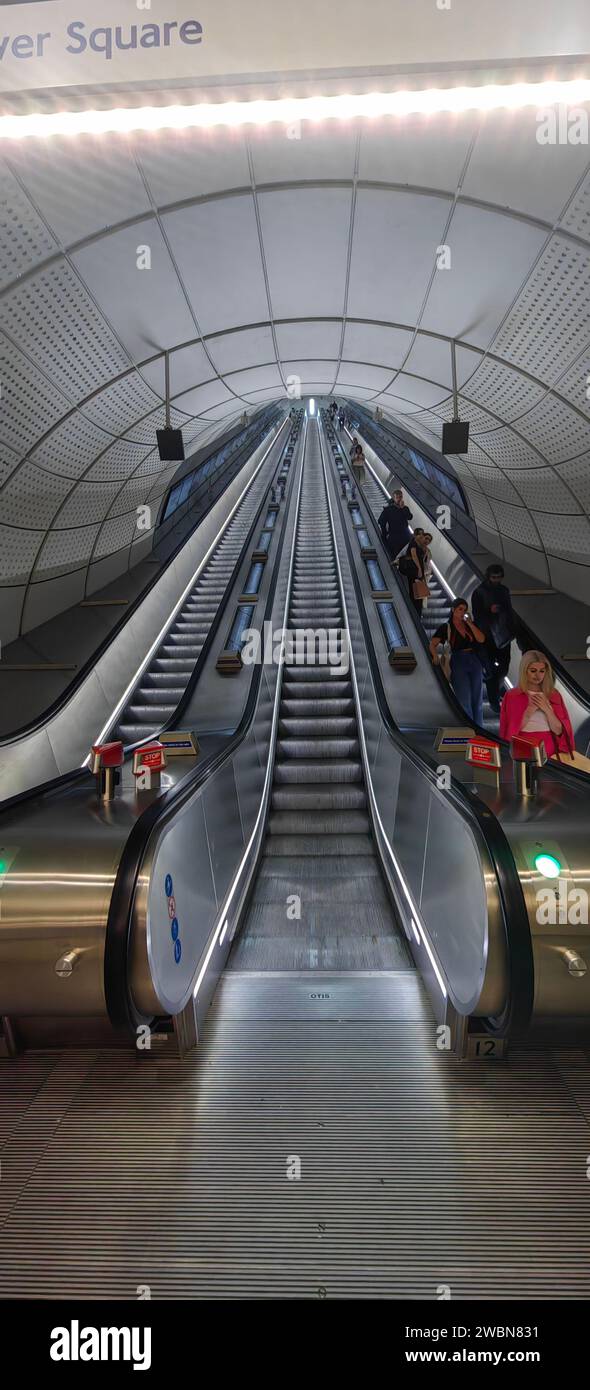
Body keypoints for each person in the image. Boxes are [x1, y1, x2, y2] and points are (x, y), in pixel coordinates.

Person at [498, 650, 590, 771]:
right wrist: (529, 711)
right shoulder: (512, 696)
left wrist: (547, 710)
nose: (538, 675)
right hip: (524, 746)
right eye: (533, 671)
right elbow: (509, 732)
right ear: (524, 670)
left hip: (550, 747)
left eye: (542, 671)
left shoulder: (554, 695)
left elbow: (560, 731)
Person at [429, 597, 487, 726]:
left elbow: (481, 639)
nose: (462, 612)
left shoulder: (468, 625)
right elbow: (432, 644)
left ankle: (480, 729)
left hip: (474, 659)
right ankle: (470, 728)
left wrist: (470, 623)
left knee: (477, 697)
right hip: (458, 660)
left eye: (465, 610)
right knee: (463, 697)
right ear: (453, 609)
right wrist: (435, 656)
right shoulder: (447, 626)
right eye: (460, 609)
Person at [472, 564, 517, 714]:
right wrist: (489, 611)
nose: (496, 580)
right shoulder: (479, 592)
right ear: (488, 577)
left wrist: (512, 629)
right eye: (494, 577)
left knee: (503, 668)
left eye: (499, 577)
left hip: (503, 635)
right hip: (487, 637)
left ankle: (495, 690)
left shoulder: (504, 591)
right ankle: (493, 701)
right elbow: (477, 615)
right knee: (491, 670)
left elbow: (509, 610)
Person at [378, 489, 413, 560]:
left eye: (400, 497)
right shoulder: (388, 509)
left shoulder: (405, 508)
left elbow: (410, 517)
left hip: (405, 535)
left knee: (406, 554)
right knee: (394, 554)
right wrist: (384, 534)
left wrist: (403, 508)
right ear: (394, 498)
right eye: (397, 497)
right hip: (394, 536)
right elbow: (381, 521)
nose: (399, 499)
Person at [403, 531, 432, 617]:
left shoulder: (425, 549)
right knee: (414, 593)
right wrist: (419, 568)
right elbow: (413, 555)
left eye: (429, 540)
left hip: (421, 572)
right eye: (426, 538)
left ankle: (417, 614)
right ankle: (413, 613)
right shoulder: (413, 544)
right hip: (414, 571)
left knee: (419, 594)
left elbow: (426, 562)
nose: (427, 541)